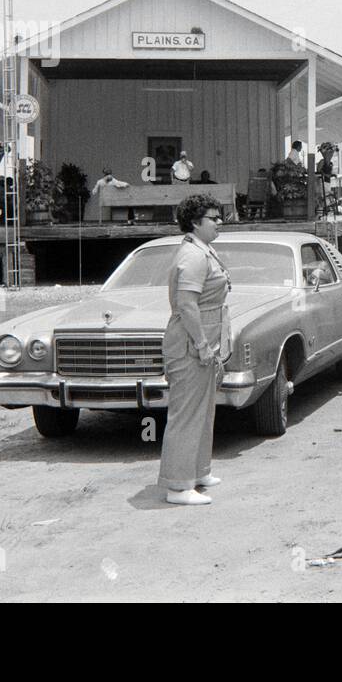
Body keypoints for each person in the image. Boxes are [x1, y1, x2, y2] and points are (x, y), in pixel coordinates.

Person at [158, 194, 231, 506]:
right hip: (191, 338)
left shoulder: (204, 250)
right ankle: (178, 485)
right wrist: (202, 345)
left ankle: (198, 470)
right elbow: (187, 305)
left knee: (204, 409)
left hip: (205, 334)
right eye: (213, 218)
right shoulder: (194, 256)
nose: (219, 223)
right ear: (195, 223)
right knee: (186, 413)